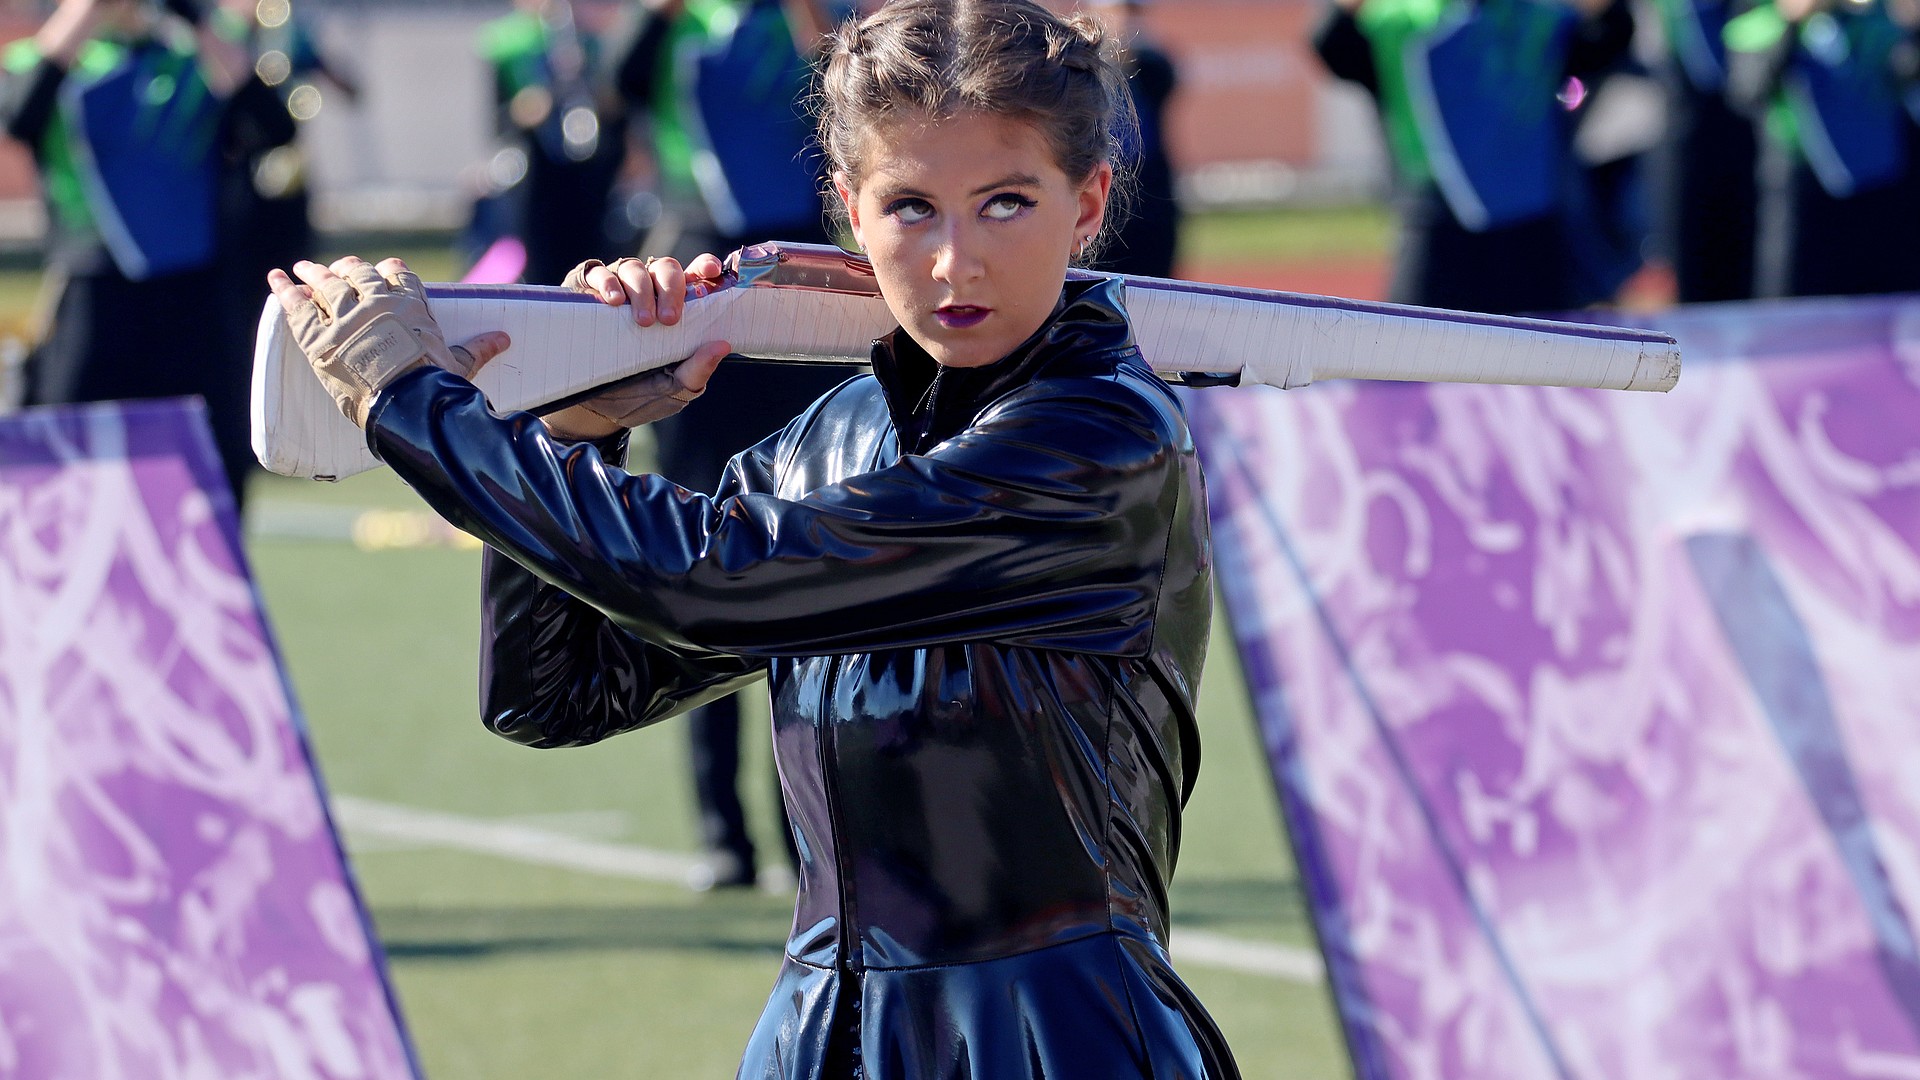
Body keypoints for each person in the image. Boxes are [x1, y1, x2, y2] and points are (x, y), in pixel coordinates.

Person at [266, 0, 1236, 1074]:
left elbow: (712, 578)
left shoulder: (1101, 441)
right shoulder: (831, 439)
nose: (957, 262)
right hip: (823, 1036)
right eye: (911, 207)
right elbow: (554, 695)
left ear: (1088, 200)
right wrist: (578, 424)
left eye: (1005, 203)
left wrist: (416, 405)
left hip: (1052, 1033)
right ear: (847, 210)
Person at [609, 0, 857, 891]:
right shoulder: (680, 22)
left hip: (801, 287)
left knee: (805, 573)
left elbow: (848, 95)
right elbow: (620, 92)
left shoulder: (821, 15)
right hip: (696, 285)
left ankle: (809, 833)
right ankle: (723, 832)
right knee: (696, 566)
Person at [1, 0, 294, 512]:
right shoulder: (46, 59)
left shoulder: (194, 58)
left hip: (192, 292)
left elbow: (273, 127)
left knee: (212, 453)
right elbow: (20, 116)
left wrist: (192, 16)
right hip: (90, 285)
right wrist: (85, 12)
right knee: (70, 454)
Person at [1312, 0, 1635, 314]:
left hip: (1533, 231)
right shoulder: (1398, 20)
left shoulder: (1539, 18)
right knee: (1417, 357)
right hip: (1435, 225)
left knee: (1544, 356)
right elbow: (1334, 45)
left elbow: (1609, 38)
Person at [1724, 0, 1920, 298]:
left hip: (1879, 190)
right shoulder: (1760, 21)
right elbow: (1746, 90)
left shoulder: (1877, 20)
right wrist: (1792, 20)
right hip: (1799, 191)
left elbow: (1904, 71)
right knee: (1792, 307)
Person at [1085, 0, 1181, 279]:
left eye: (1133, 13)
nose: (1126, 22)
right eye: (1118, 12)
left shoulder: (1155, 70)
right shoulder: (1080, 72)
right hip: (1103, 204)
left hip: (1150, 203)